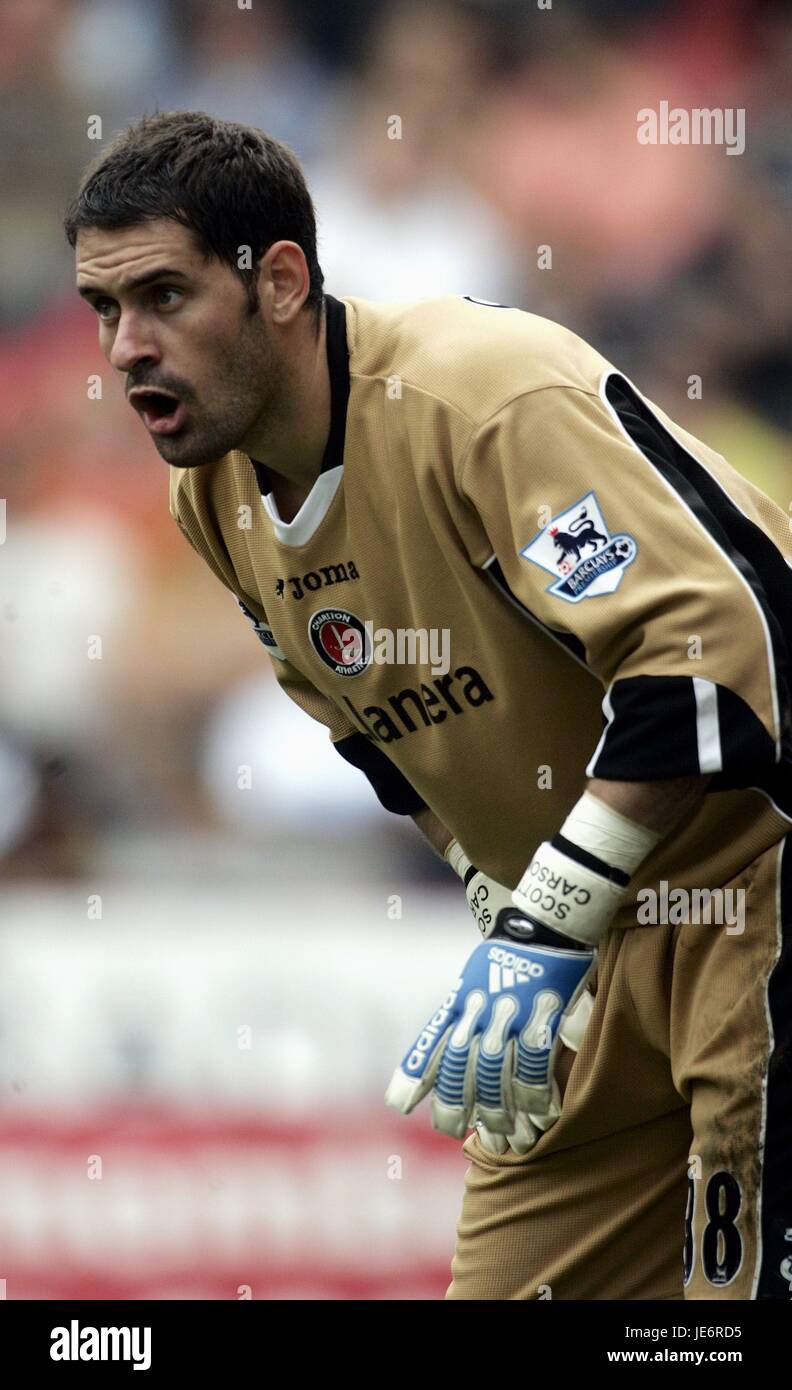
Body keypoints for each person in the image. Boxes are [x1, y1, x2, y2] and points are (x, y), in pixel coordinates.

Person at [65, 110, 792, 1301]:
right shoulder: (213, 500)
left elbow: (714, 655)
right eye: (104, 310)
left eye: (162, 297)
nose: (125, 347)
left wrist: (551, 909)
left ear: (282, 281)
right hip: (586, 958)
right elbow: (383, 737)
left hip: (753, 893)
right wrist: (499, 898)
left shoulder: (479, 394)